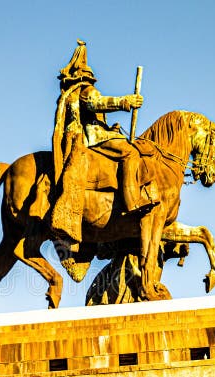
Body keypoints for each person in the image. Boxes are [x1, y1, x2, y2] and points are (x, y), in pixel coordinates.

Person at [50, 40, 159, 248]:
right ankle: (132, 202)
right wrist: (125, 102)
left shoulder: (70, 94)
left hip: (95, 134)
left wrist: (112, 129)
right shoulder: (85, 90)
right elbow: (96, 103)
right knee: (130, 153)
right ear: (86, 77)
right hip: (93, 138)